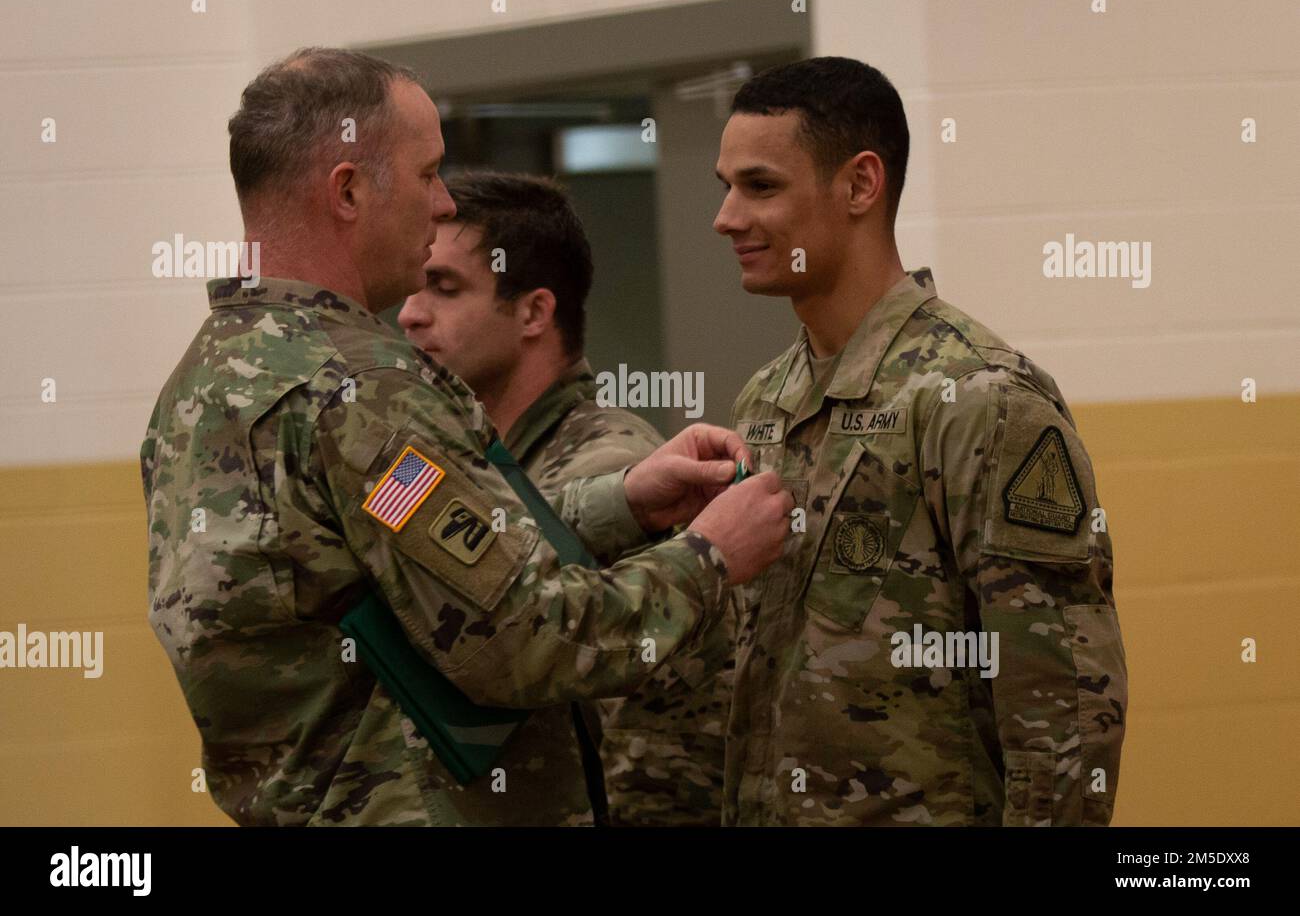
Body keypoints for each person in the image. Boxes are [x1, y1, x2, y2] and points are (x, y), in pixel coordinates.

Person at [141, 46, 792, 827]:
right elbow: (519, 641)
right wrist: (710, 558)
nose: (444, 203)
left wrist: (618, 505)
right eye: (427, 173)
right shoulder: (355, 389)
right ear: (347, 191)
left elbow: (387, 571)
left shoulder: (208, 379)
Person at [712, 56, 1127, 826]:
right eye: (726, 187)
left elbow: (1065, 712)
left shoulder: (979, 399)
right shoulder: (767, 399)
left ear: (861, 186)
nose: (727, 218)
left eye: (760, 187)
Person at [398, 171, 731, 825]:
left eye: (443, 287)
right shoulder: (472, 455)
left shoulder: (611, 459)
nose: (410, 312)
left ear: (533, 312)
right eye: (412, 284)